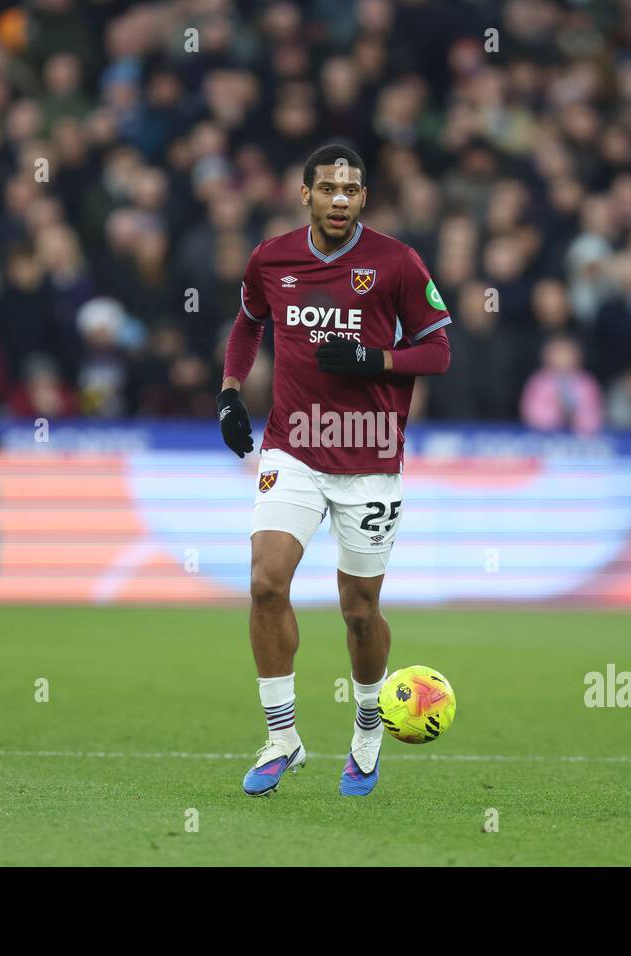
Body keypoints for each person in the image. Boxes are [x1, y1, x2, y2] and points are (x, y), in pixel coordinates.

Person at [217, 144, 452, 797]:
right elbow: (246, 323)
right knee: (266, 583)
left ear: (364, 197)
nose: (341, 199)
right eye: (329, 189)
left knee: (359, 611)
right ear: (306, 194)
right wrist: (231, 390)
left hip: (371, 460)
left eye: (352, 189)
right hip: (292, 449)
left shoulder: (396, 262)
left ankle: (370, 723)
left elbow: (437, 353)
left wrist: (375, 361)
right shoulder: (272, 258)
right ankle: (282, 737)